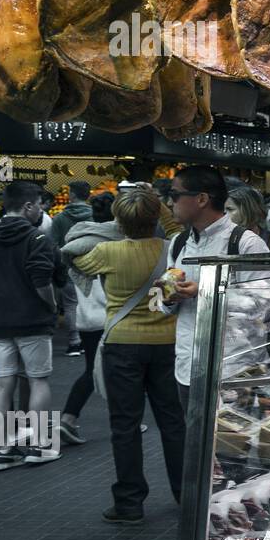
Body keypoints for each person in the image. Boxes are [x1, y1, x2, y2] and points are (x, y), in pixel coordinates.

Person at [73, 187, 183, 523]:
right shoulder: (173, 250)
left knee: (125, 425)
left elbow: (75, 256)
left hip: (121, 345)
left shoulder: (106, 251)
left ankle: (129, 502)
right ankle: (185, 494)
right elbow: (177, 230)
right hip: (168, 342)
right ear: (156, 218)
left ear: (118, 220)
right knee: (174, 423)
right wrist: (159, 204)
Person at [0, 180, 68, 471]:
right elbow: (42, 280)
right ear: (28, 206)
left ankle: (1, 450)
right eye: (39, 205)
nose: (41, 211)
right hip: (33, 321)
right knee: (37, 380)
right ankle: (38, 446)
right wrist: (49, 305)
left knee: (2, 382)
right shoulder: (37, 239)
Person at [160, 166, 270, 412]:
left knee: (234, 443)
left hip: (234, 367)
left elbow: (265, 304)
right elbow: (165, 307)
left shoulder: (246, 243)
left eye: (175, 194)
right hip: (188, 366)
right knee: (193, 442)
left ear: (201, 199)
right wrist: (168, 296)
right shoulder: (178, 243)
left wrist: (205, 291)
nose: (170, 202)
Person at [57, 192, 118, 445]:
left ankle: (69, 419)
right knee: (110, 371)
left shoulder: (81, 239)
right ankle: (70, 419)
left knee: (95, 369)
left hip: (87, 315)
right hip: (109, 316)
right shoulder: (117, 242)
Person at [52, 180, 93, 356]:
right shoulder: (95, 215)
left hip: (68, 266)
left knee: (70, 305)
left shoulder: (60, 218)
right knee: (92, 303)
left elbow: (53, 244)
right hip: (93, 266)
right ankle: (90, 339)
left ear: (72, 195)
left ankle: (74, 341)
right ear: (88, 195)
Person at [226, 186, 270, 255]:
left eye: (230, 209)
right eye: (223, 210)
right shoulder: (223, 239)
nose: (224, 215)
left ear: (249, 210)